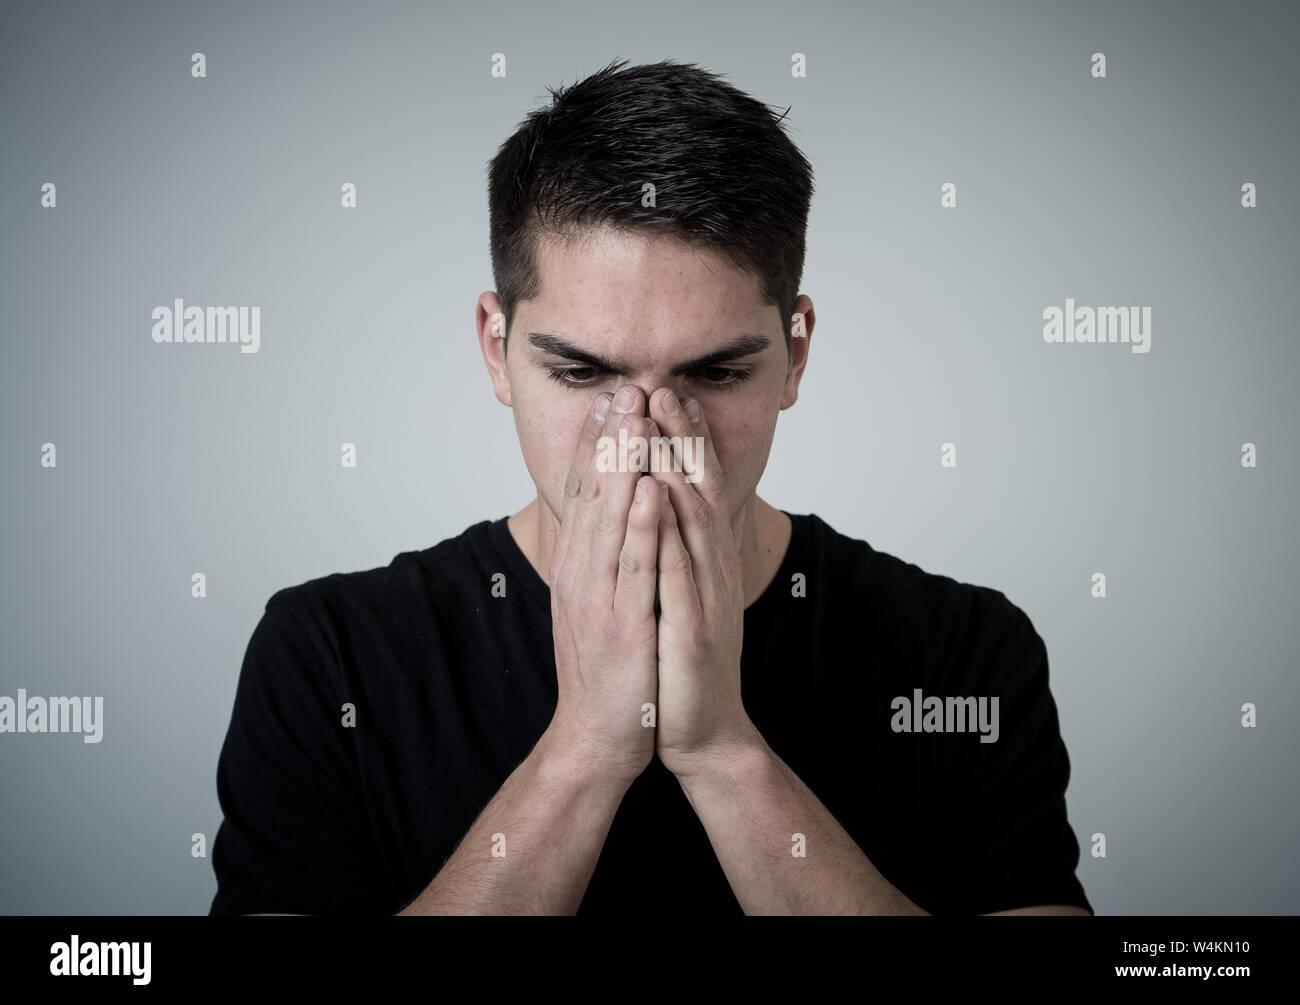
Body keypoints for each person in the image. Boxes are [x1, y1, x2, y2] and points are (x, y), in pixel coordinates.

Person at [209, 58, 1092, 916]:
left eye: (714, 375)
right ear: (497, 349)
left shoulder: (962, 653)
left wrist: (721, 751)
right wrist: (587, 746)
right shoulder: (328, 656)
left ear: (795, 354)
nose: (644, 435)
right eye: (584, 372)